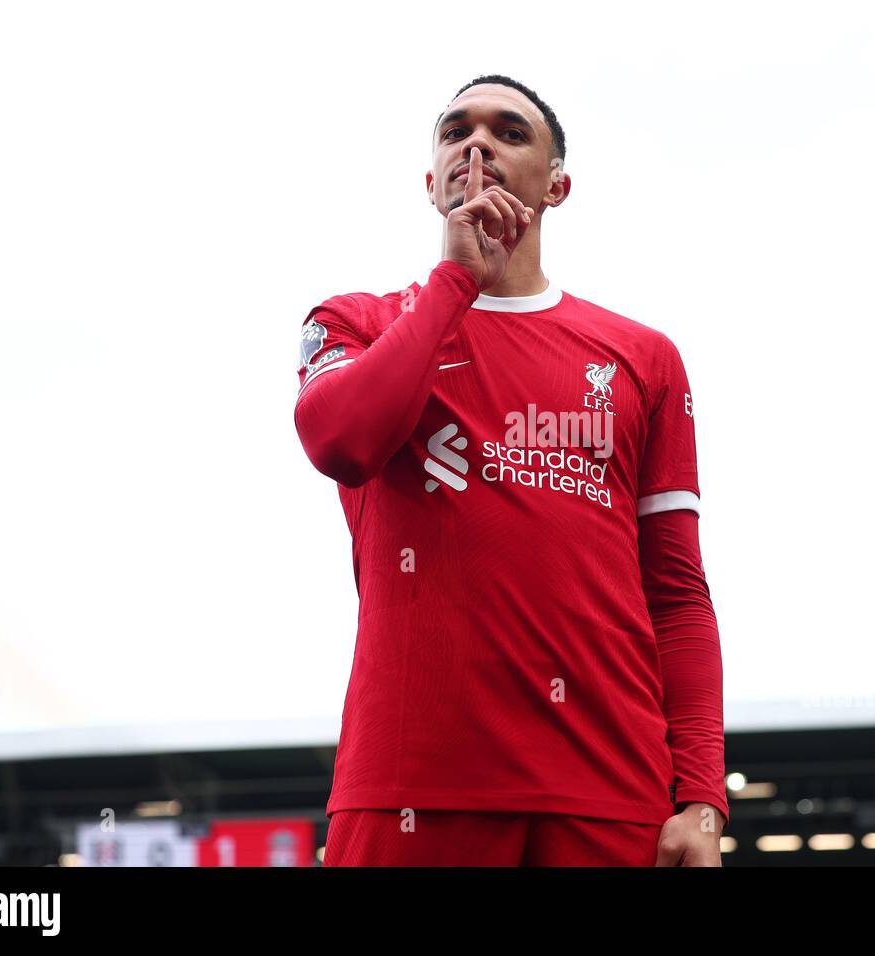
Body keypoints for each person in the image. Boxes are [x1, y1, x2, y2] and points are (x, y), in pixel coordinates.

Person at [295, 74, 727, 866]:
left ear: (558, 186)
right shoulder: (357, 322)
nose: (478, 143)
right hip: (412, 790)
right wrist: (456, 281)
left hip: (607, 794)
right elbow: (341, 444)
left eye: (510, 131)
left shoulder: (643, 359)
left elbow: (676, 593)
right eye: (455, 130)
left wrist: (700, 796)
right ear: (431, 182)